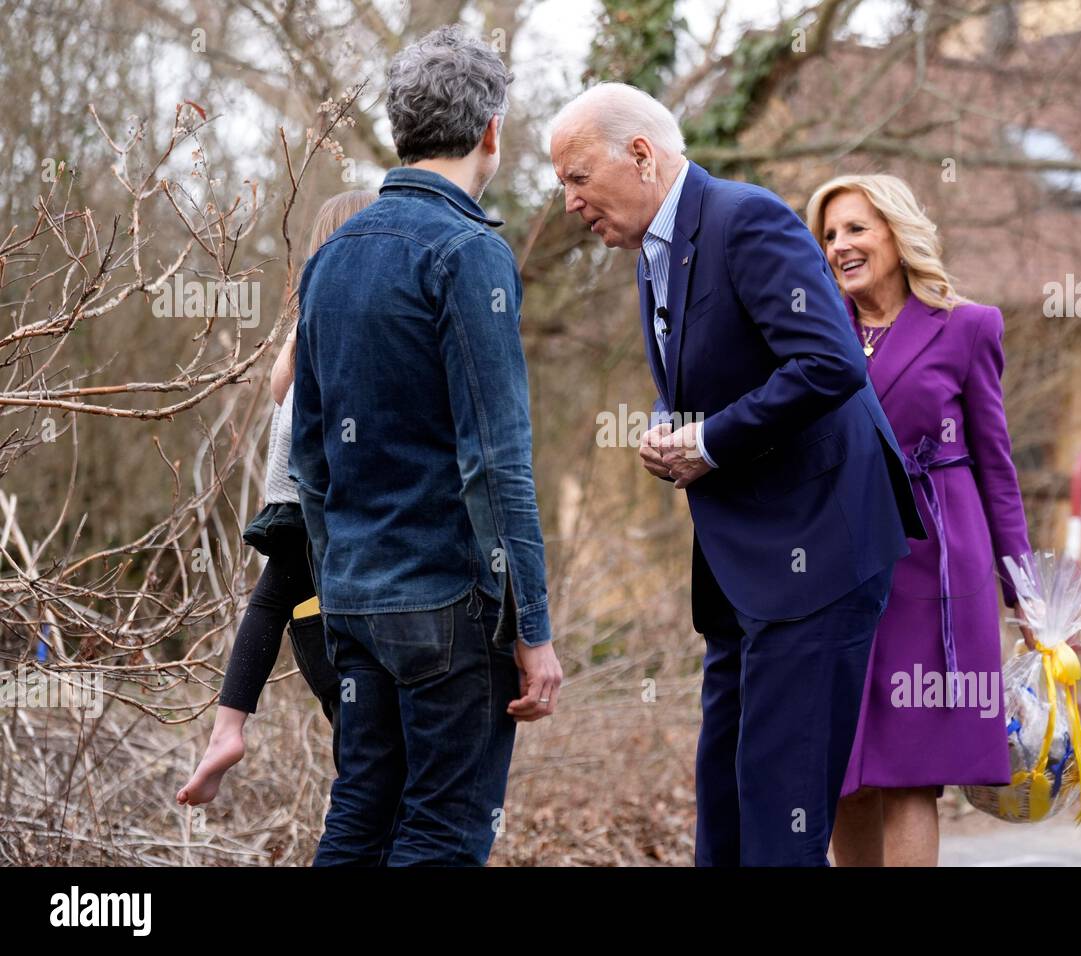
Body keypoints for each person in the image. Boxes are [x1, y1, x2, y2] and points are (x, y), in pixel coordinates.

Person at [550, 84, 925, 867]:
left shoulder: (744, 218)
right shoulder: (653, 250)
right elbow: (703, 374)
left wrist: (711, 440)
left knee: (781, 804)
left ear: (641, 155)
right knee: (724, 795)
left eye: (577, 177)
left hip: (818, 548)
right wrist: (667, 422)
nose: (568, 203)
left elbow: (827, 361)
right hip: (739, 567)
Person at [293, 26, 562, 867]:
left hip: (356, 603)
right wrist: (533, 627)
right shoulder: (468, 250)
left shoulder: (331, 256)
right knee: (443, 836)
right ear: (490, 129)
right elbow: (496, 459)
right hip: (448, 609)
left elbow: (309, 459)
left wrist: (340, 580)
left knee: (359, 823)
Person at [805, 173, 1035, 867]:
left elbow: (996, 465)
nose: (840, 245)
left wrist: (1022, 589)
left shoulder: (968, 326)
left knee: (910, 770)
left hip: (935, 559)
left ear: (897, 235)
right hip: (839, 556)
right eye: (829, 234)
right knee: (840, 765)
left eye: (855, 228)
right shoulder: (813, 326)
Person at [176, 190, 377, 807]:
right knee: (369, 761)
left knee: (270, 601)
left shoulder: (309, 318)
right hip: (324, 507)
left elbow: (275, 387)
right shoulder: (365, 316)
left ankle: (227, 727)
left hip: (290, 503)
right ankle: (228, 731)